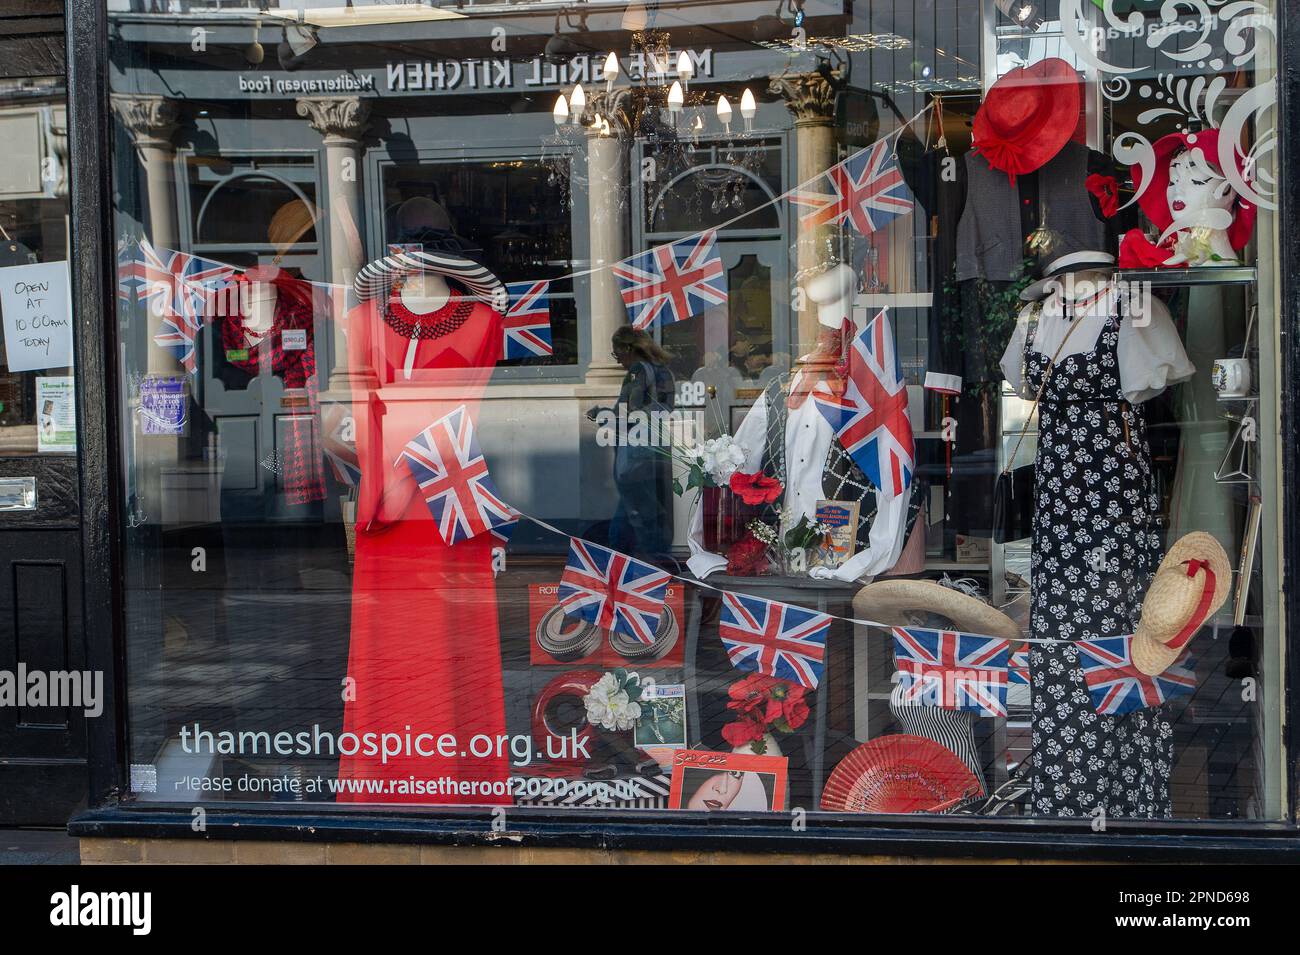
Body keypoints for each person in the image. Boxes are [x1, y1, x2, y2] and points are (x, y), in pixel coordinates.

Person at [588, 326, 676, 563]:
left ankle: (625, 561)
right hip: (657, 448)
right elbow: (664, 408)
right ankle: (651, 555)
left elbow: (629, 414)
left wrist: (602, 414)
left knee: (636, 510)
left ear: (628, 348)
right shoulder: (663, 370)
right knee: (646, 508)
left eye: (617, 354)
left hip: (636, 451)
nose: (618, 362)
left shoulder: (637, 371)